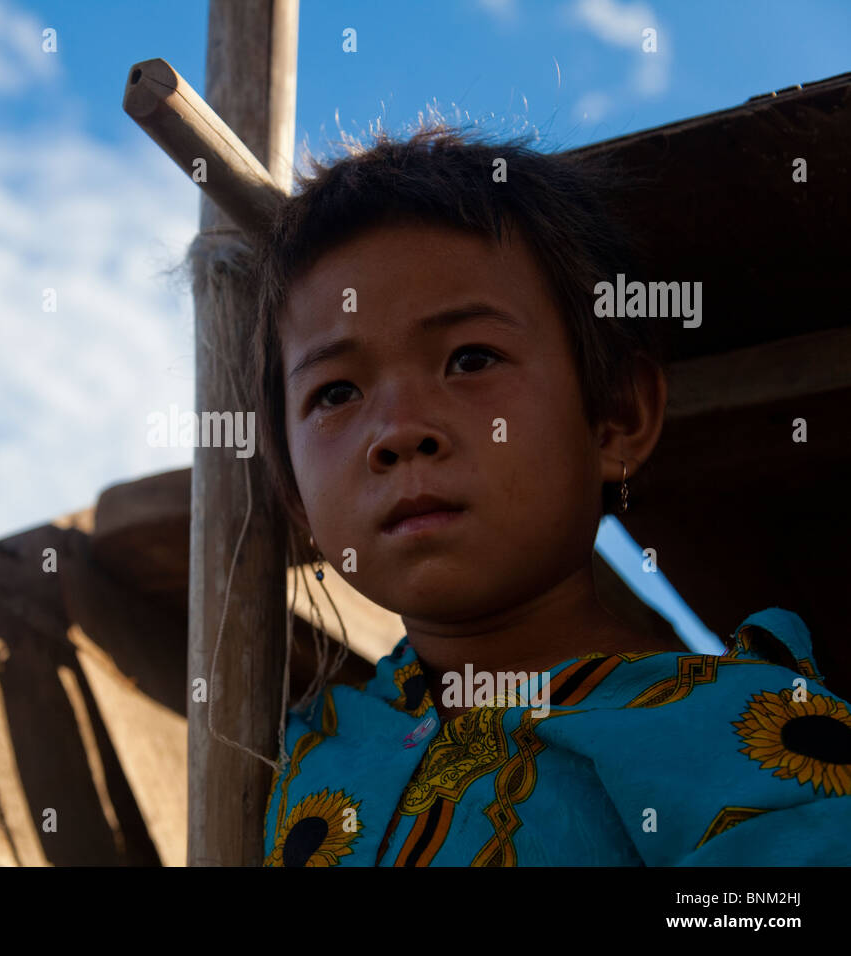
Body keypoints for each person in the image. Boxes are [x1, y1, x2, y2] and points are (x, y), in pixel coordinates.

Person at [247, 126, 851, 866]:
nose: (398, 432)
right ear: (299, 500)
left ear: (615, 419)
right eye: (335, 392)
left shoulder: (749, 731)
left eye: (470, 359)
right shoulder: (308, 751)